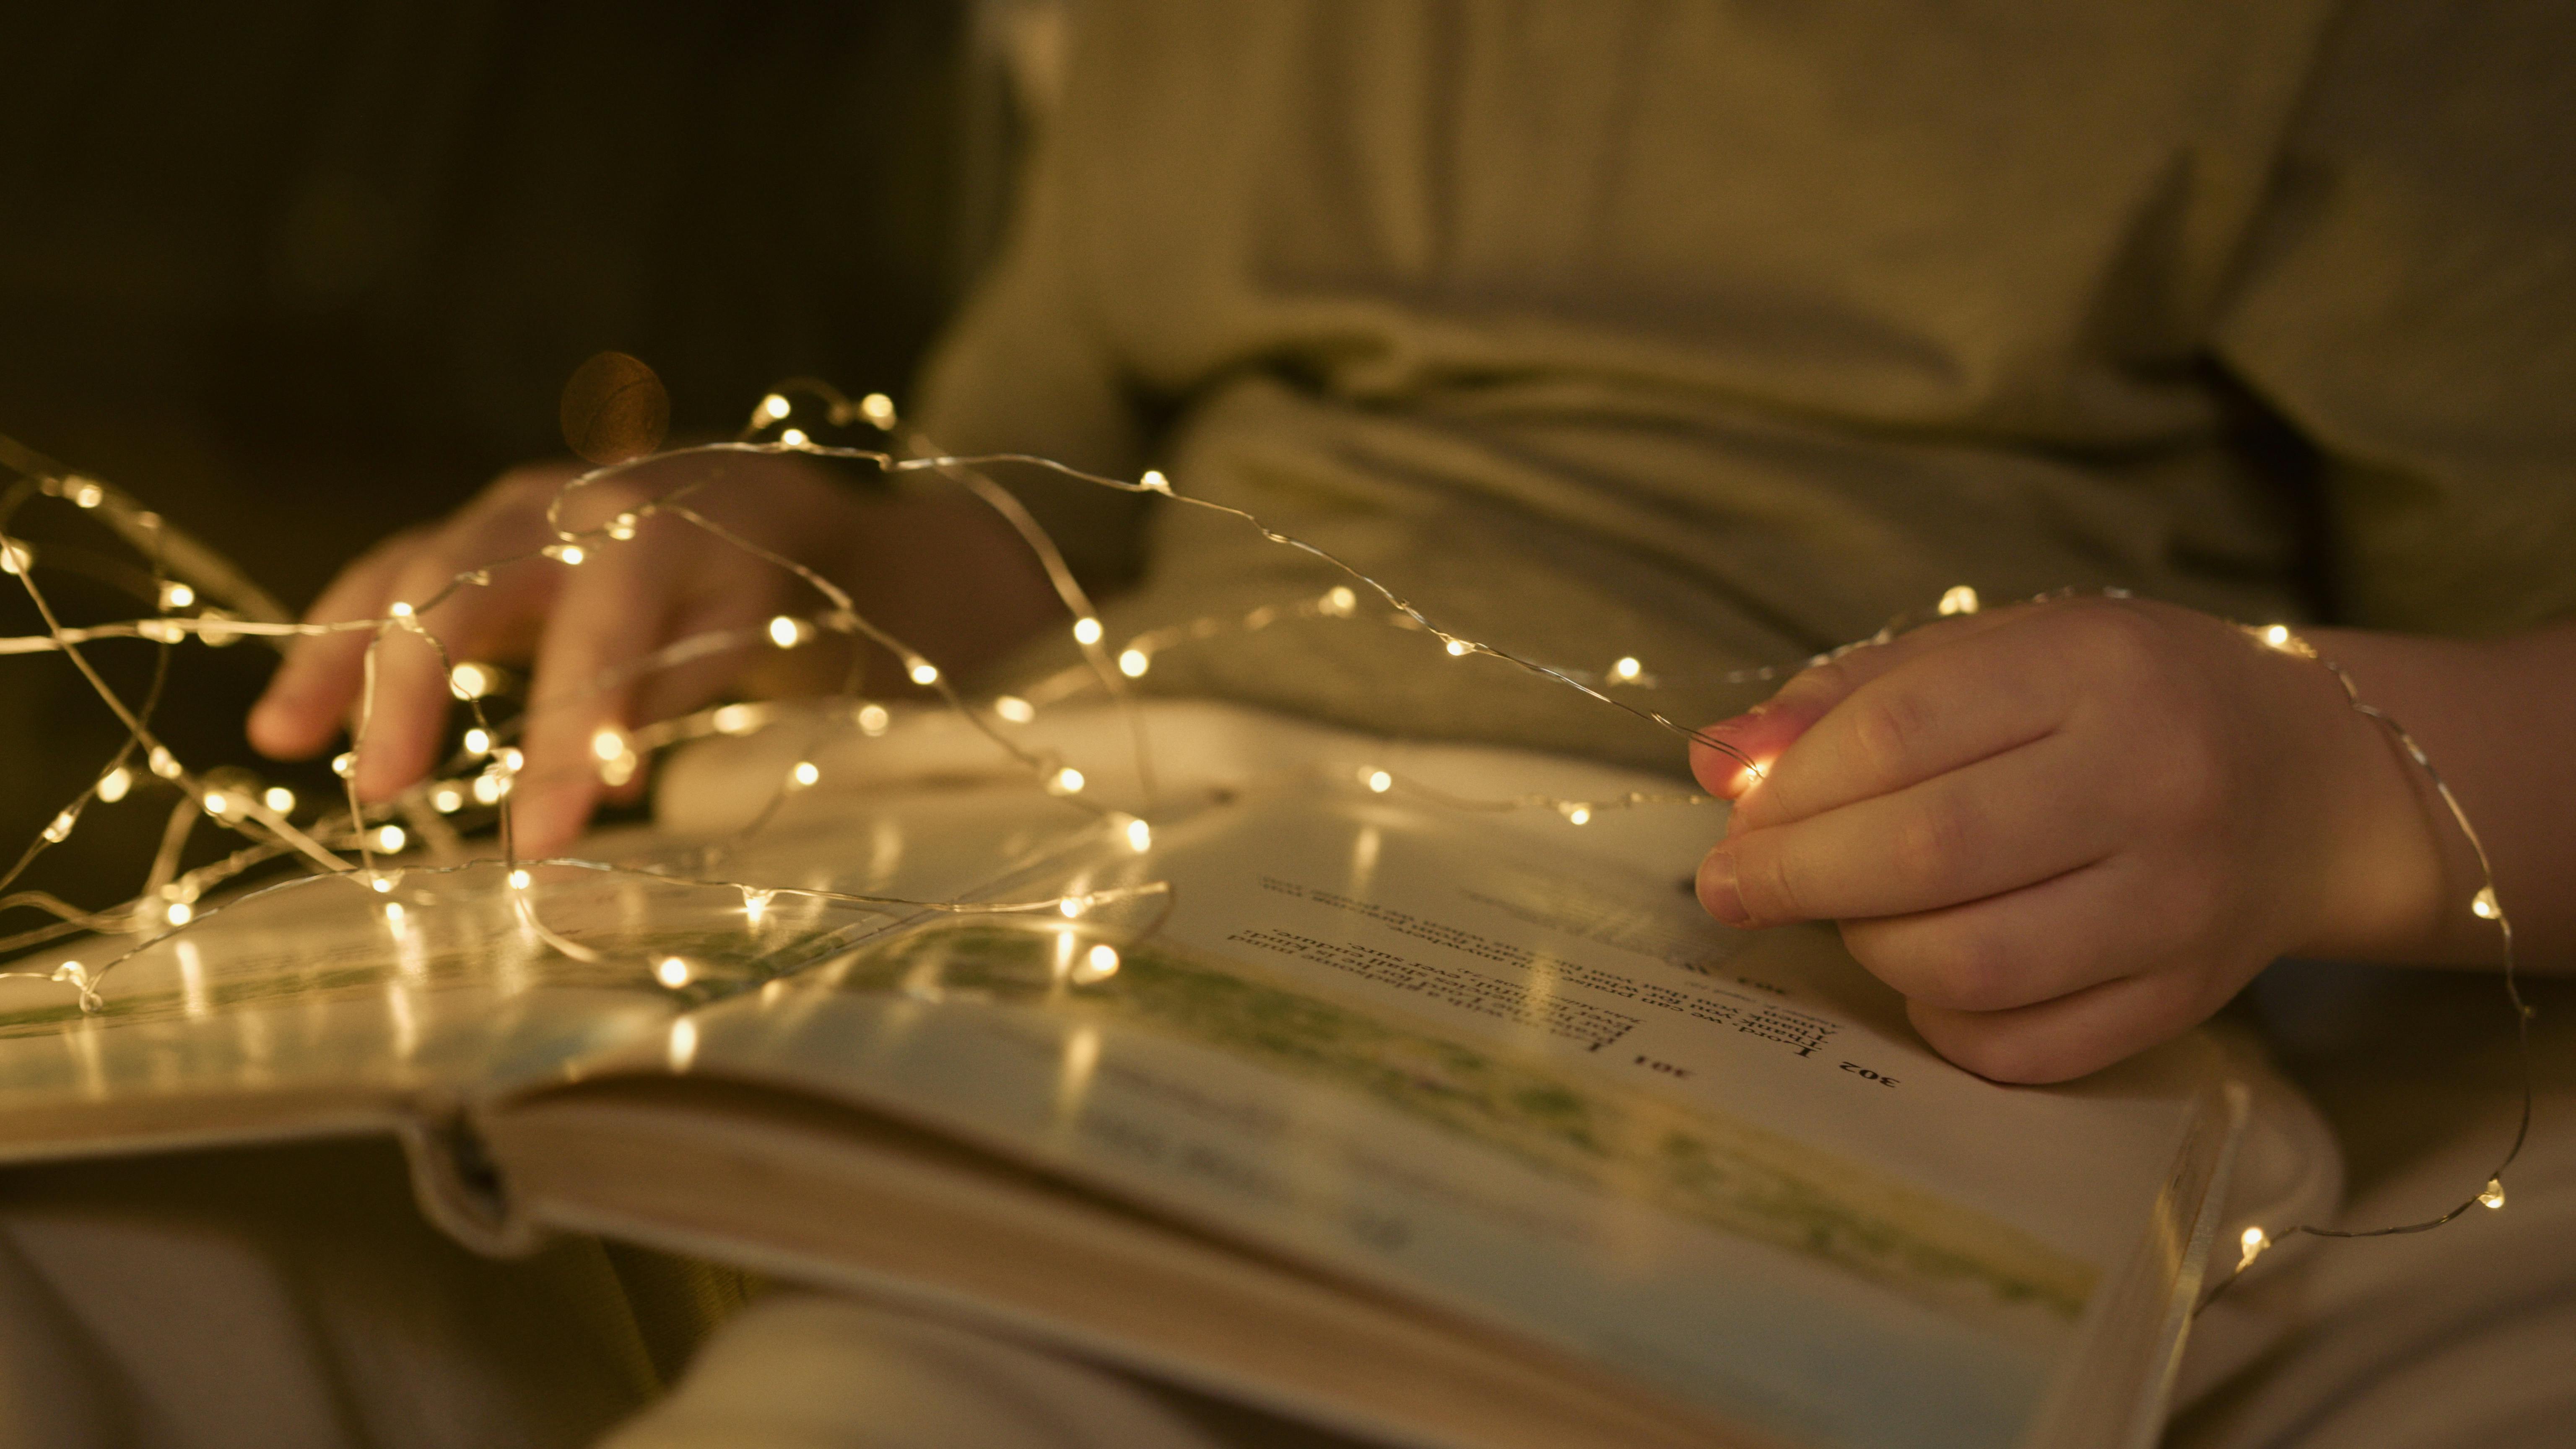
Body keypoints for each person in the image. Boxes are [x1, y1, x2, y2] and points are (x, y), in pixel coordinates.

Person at [227, 1, 2574, 1444]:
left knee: (926, 1390)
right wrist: (789, 557)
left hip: (1712, 956)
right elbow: (1039, 539)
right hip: (1045, 843)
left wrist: (2321, 782)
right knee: (192, 1226)